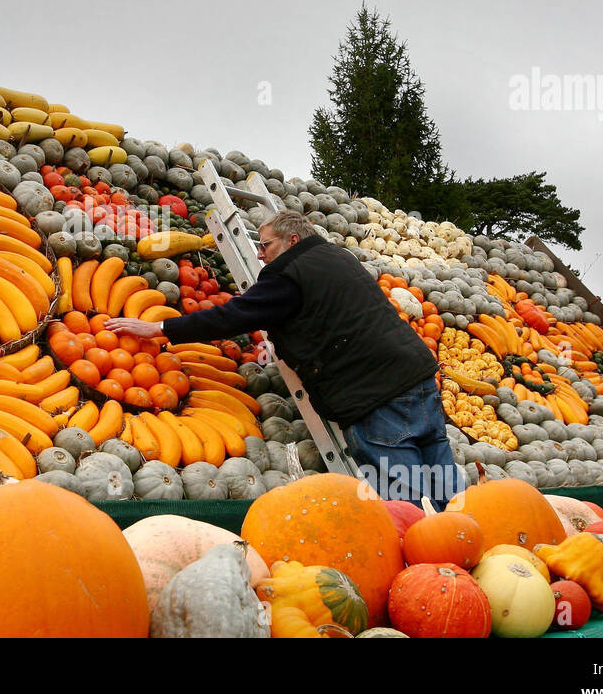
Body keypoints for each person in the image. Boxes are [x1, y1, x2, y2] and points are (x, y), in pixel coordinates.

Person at [105, 209, 464, 508]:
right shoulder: (339, 256)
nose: (260, 253)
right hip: (418, 377)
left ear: (293, 241)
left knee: (405, 503)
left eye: (266, 245)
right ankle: (472, 548)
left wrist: (161, 329)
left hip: (376, 397)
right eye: (258, 246)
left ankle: (428, 577)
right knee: (445, 485)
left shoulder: (289, 274)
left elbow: (233, 316)